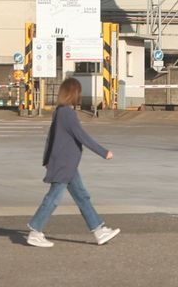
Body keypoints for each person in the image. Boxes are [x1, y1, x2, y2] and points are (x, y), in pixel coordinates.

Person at [26, 77, 119, 247]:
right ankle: (35, 230)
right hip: (64, 164)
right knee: (53, 198)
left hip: (67, 164)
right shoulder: (67, 113)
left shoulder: (61, 111)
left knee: (82, 197)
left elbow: (51, 137)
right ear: (74, 94)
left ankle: (99, 231)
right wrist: (104, 152)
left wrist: (47, 160)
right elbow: (81, 136)